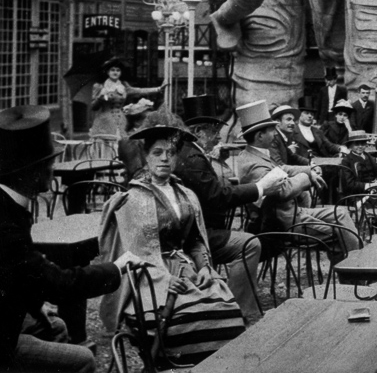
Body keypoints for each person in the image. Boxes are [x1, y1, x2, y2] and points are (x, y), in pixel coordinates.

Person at [0, 105, 125, 373]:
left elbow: (15, 275)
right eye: (50, 163)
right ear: (35, 172)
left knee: (55, 326)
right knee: (83, 361)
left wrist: (36, 306)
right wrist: (116, 268)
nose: (53, 169)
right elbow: (56, 284)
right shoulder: (2, 223)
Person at [99, 121, 246, 363]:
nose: (165, 159)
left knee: (228, 312)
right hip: (150, 279)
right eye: (157, 153)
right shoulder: (131, 199)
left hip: (187, 270)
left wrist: (206, 267)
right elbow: (131, 254)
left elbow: (196, 241)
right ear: (146, 157)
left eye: (171, 153)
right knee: (187, 321)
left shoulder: (187, 195)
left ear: (177, 158)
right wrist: (164, 280)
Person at [175, 96, 285, 325]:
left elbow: (212, 190)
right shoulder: (194, 158)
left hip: (196, 231)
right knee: (250, 244)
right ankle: (238, 312)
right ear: (198, 131)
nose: (218, 136)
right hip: (198, 236)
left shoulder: (188, 152)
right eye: (214, 130)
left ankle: (237, 308)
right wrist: (260, 187)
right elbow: (216, 196)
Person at [230, 101, 359, 255]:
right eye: (272, 130)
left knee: (341, 214)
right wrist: (306, 177)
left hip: (293, 212)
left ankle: (356, 267)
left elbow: (281, 168)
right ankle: (354, 271)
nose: (275, 133)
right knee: (340, 232)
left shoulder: (256, 153)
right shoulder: (253, 164)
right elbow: (282, 191)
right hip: (284, 224)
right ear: (259, 136)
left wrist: (308, 169)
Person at [90, 58, 162, 137]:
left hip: (120, 120)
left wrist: (158, 89)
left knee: (121, 144)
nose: (115, 72)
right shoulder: (99, 86)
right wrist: (100, 96)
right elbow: (93, 107)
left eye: (118, 70)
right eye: (112, 70)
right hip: (104, 121)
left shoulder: (123, 86)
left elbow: (139, 90)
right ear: (107, 72)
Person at [340, 131, 377, 195]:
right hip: (357, 194)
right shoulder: (347, 161)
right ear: (350, 146)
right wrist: (370, 186)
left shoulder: (369, 157)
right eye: (356, 144)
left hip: (375, 189)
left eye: (363, 144)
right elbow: (349, 184)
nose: (360, 146)